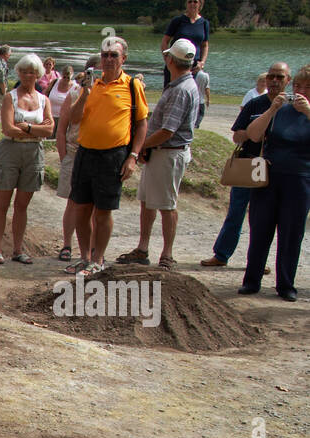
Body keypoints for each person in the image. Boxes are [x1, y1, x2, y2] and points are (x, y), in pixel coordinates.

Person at [62, 35, 148, 278]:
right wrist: (86, 93)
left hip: (113, 155)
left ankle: (98, 258)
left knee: (103, 210)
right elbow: (75, 118)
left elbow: (142, 124)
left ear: (123, 59)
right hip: (85, 152)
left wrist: (133, 156)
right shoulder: (91, 86)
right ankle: (85, 257)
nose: (108, 60)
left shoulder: (132, 86)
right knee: (80, 208)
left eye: (113, 56)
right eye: (105, 55)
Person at [114, 39, 199, 270]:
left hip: (169, 153)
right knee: (148, 202)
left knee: (166, 205)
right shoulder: (180, 85)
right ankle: (143, 248)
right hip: (163, 152)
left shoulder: (181, 89)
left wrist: (140, 146)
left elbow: (167, 131)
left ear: (170, 60)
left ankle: (167, 254)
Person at [202, 61, 289, 269]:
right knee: (236, 211)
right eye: (271, 76)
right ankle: (222, 254)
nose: (275, 81)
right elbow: (236, 135)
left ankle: (259, 261)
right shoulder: (255, 104)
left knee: (265, 219)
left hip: (277, 169)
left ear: (288, 81)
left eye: (280, 77)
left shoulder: (291, 106)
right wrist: (253, 132)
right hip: (250, 164)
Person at [239, 64, 310, 302]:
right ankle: (251, 280)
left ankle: (286, 284)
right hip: (268, 177)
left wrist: (309, 113)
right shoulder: (280, 109)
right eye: (298, 86)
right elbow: (253, 134)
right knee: (260, 229)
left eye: (307, 87)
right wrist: (271, 110)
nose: (300, 91)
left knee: (291, 234)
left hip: (300, 181)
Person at [0, 53, 53, 264]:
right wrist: (36, 130)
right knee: (2, 202)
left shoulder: (43, 99)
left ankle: (18, 249)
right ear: (19, 73)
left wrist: (27, 128)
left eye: (32, 72)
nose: (28, 76)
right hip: (11, 151)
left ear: (38, 74)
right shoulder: (11, 97)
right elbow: (8, 128)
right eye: (24, 71)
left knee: (22, 205)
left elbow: (50, 129)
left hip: (34, 153)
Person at [54, 60, 99, 263]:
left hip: (98, 155)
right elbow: (63, 127)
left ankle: (93, 248)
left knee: (96, 206)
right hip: (74, 154)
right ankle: (67, 244)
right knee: (73, 202)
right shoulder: (74, 94)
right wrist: (64, 157)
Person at [161, 0, 209, 89]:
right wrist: (167, 59)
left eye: (195, 2)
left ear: (200, 4)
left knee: (189, 93)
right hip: (175, 64)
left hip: (193, 66)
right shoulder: (178, 21)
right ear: (186, 4)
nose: (192, 4)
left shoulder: (204, 23)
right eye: (189, 2)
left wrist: (202, 62)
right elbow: (165, 41)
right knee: (170, 93)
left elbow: (205, 45)